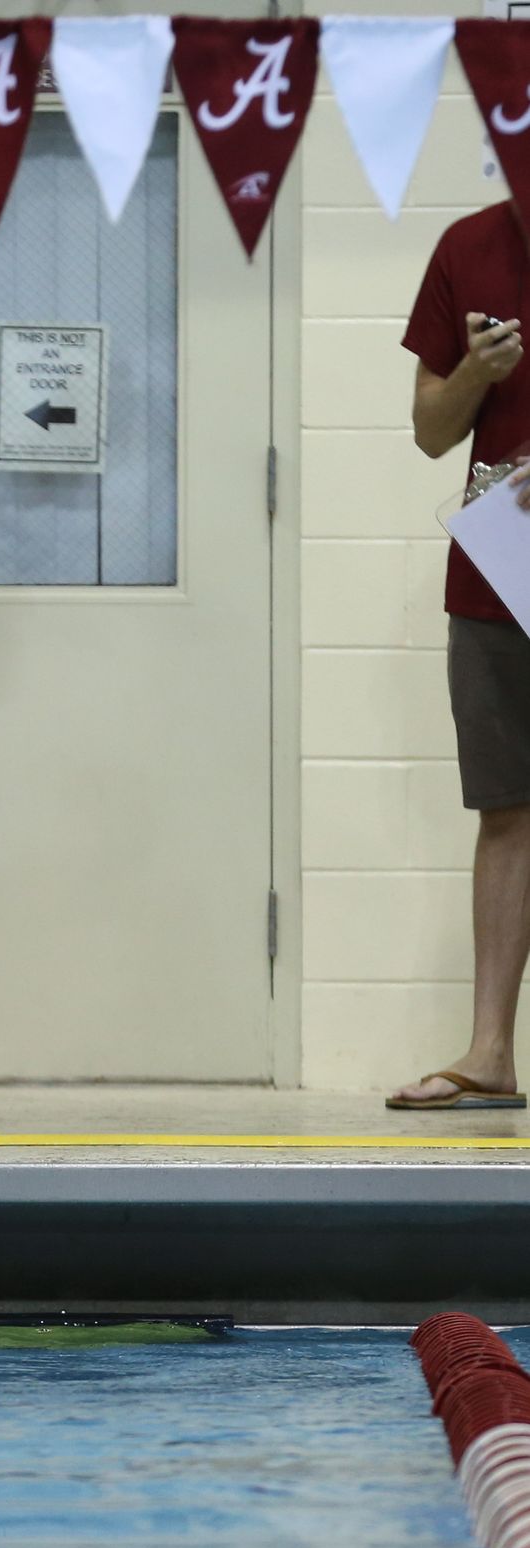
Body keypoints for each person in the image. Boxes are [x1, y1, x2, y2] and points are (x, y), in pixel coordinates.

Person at [387, 201, 530, 1112]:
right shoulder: (467, 248)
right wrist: (475, 374)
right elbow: (431, 430)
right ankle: (490, 1053)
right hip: (500, 570)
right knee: (507, 808)